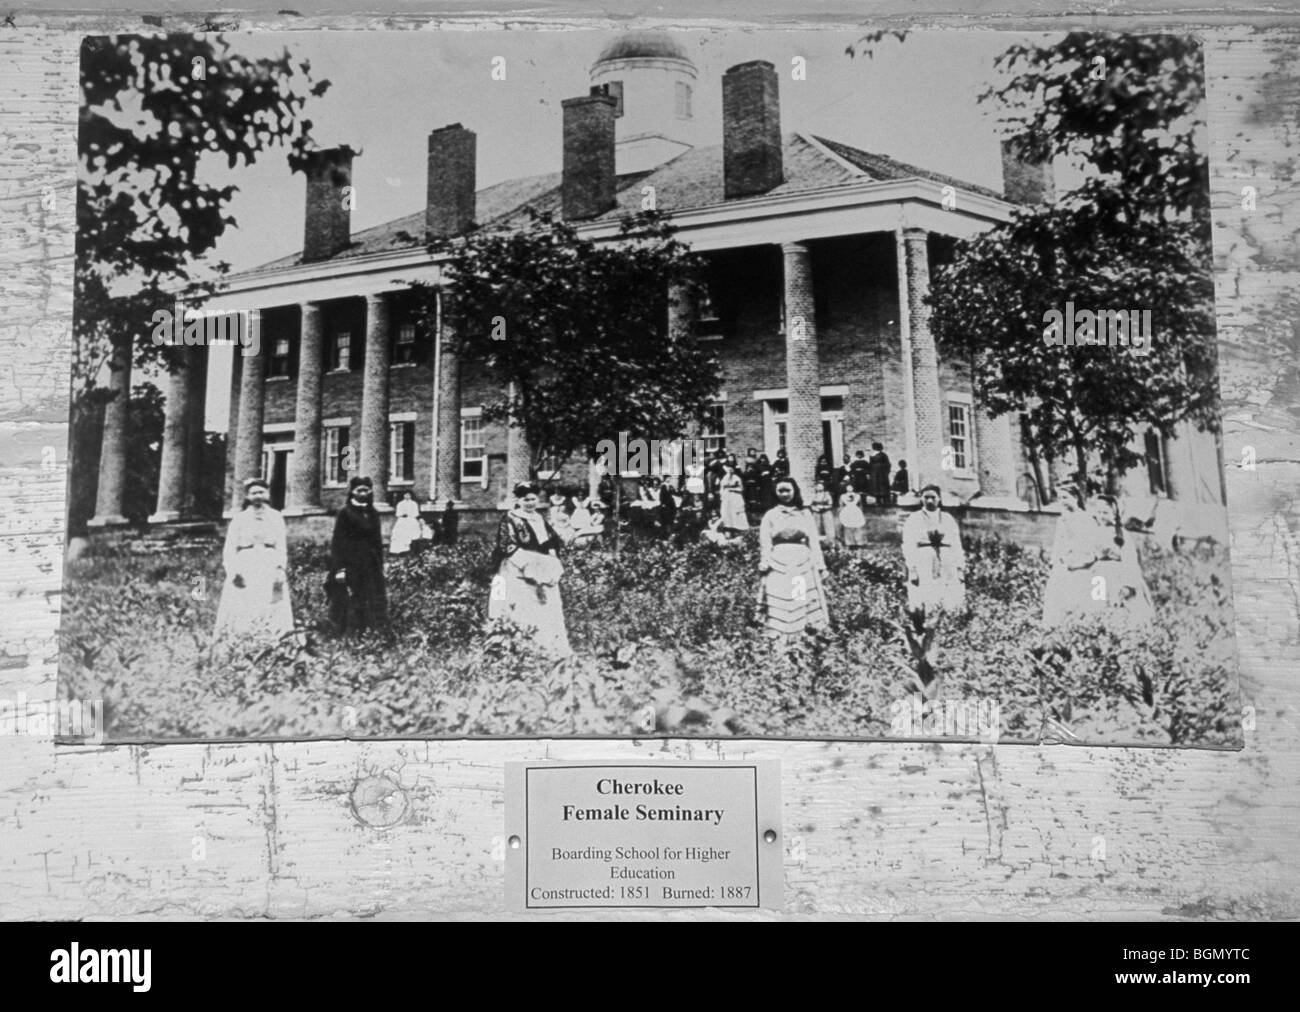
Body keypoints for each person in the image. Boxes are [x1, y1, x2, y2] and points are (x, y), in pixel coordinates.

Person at [1042, 490, 1155, 629]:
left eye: (1105, 513)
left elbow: (1130, 561)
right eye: (1099, 513)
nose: (1101, 516)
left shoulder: (1121, 534)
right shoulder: (1094, 533)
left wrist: (1128, 584)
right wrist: (1073, 564)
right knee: (1098, 606)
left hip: (1118, 576)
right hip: (1098, 576)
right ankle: (1103, 632)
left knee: (1123, 608)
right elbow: (1088, 555)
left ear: (1114, 514)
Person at [489, 482, 571, 656]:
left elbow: (549, 540)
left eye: (533, 499)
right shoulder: (511, 518)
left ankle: (546, 644)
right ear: (519, 500)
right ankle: (518, 645)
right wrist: (528, 564)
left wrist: (552, 559)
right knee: (520, 604)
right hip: (517, 565)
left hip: (540, 565)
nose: (530, 503)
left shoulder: (539, 518)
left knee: (546, 603)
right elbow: (507, 544)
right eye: (526, 500)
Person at [215, 477, 295, 642]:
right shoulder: (240, 518)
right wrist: (233, 571)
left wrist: (280, 568)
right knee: (243, 600)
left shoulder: (276, 517)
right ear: (248, 497)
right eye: (254, 493)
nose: (258, 495)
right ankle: (242, 639)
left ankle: (274, 639)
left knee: (272, 600)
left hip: (269, 562)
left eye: (261, 492)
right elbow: (230, 548)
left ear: (267, 494)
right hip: (246, 562)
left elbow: (281, 545)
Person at [758, 477, 830, 639]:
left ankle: (801, 632)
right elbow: (765, 541)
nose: (785, 494)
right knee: (780, 596)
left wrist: (820, 565)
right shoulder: (771, 515)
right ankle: (779, 633)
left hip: (801, 561)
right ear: (775, 493)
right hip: (778, 561)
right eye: (780, 491)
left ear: (795, 491)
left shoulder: (804, 513)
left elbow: (813, 539)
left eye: (788, 490)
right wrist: (765, 560)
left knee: (800, 596)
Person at [327, 476, 388, 636]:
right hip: (351, 562)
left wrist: (381, 564)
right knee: (352, 597)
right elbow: (338, 542)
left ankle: (372, 631)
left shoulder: (373, 512)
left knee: (373, 595)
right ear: (352, 492)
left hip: (370, 563)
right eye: (359, 490)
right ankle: (347, 633)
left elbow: (377, 541)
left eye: (366, 490)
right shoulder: (345, 513)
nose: (363, 493)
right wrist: (339, 568)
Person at [900, 484, 966, 618]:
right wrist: (912, 569)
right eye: (926, 497)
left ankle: (949, 617)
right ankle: (927, 618)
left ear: (939, 499)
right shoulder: (914, 519)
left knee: (949, 588)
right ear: (921, 499)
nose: (930, 501)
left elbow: (956, 544)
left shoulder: (947, 518)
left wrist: (959, 567)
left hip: (946, 559)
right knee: (926, 587)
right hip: (924, 558)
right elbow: (908, 545)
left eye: (933, 497)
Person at [719, 462, 749, 533]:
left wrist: (733, 489)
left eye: (731, 469)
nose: (730, 470)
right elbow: (722, 488)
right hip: (727, 497)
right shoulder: (724, 478)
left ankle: (740, 527)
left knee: (737, 511)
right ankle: (729, 527)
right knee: (726, 511)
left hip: (735, 497)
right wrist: (722, 496)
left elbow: (741, 489)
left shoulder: (737, 478)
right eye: (729, 469)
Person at [389, 491, 422, 556]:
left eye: (408, 495)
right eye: (405, 495)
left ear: (411, 496)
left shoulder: (414, 504)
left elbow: (416, 513)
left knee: (412, 533)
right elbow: (397, 513)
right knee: (399, 533)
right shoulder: (400, 504)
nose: (407, 496)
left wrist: (409, 515)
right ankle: (400, 550)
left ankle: (412, 550)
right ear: (403, 495)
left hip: (411, 519)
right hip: (402, 520)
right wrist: (402, 514)